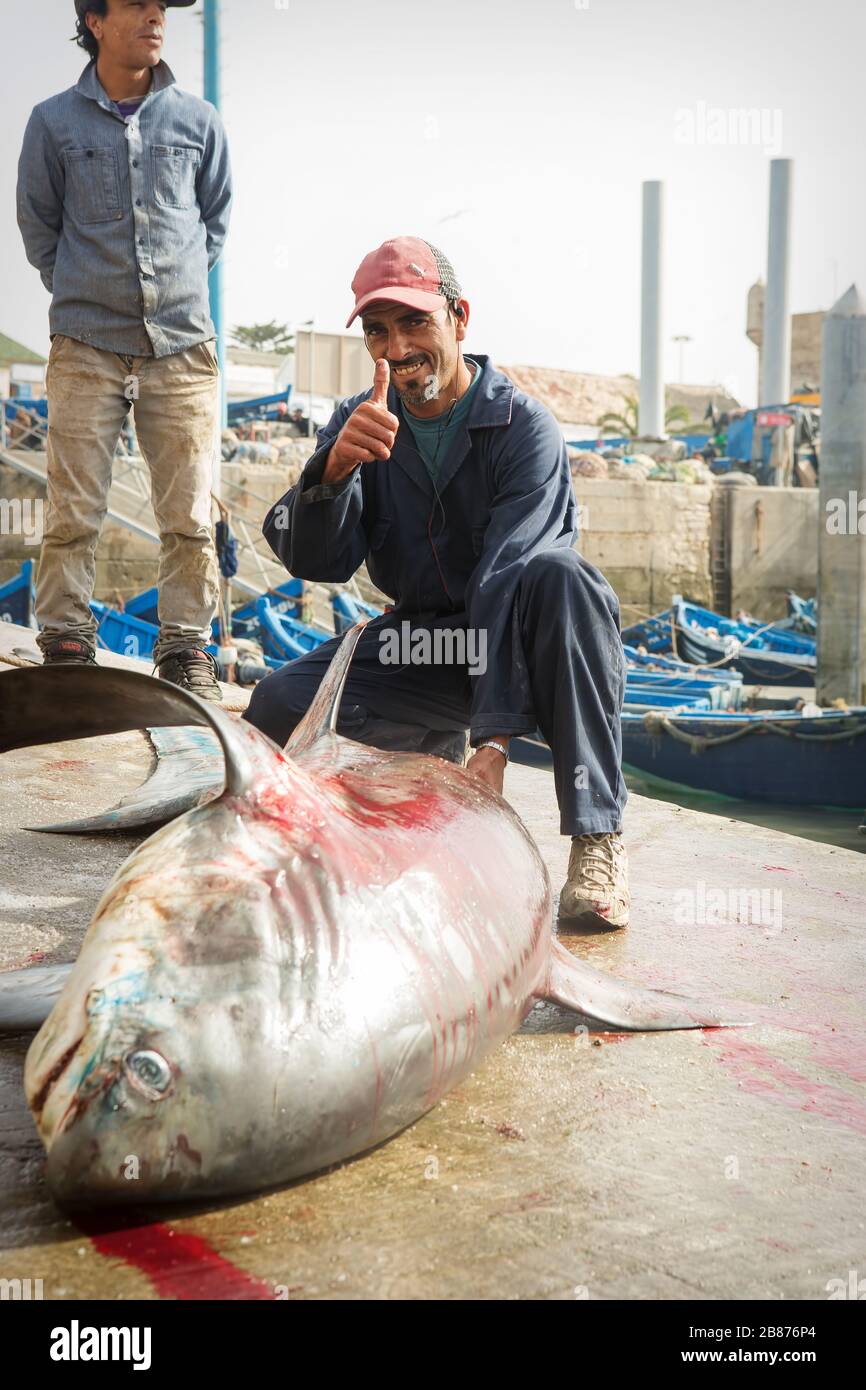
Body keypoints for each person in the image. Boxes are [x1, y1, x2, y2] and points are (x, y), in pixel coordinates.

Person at [245, 237, 630, 929]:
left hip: (520, 650)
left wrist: (496, 742)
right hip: (424, 648)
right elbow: (318, 561)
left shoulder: (523, 426)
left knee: (565, 579)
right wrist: (330, 475)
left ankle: (597, 838)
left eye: (415, 322)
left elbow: (509, 575)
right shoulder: (357, 421)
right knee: (277, 704)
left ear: (459, 318)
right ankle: (412, 767)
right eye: (378, 331)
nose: (396, 347)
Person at [16, 0, 232, 700]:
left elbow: (215, 221)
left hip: (182, 345)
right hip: (86, 343)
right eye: (136, 4)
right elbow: (39, 225)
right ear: (95, 21)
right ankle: (68, 638)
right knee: (73, 508)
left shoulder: (199, 122)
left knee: (191, 514)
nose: (154, 17)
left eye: (160, 6)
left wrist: (172, 291)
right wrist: (84, 291)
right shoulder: (52, 122)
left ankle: (184, 645)